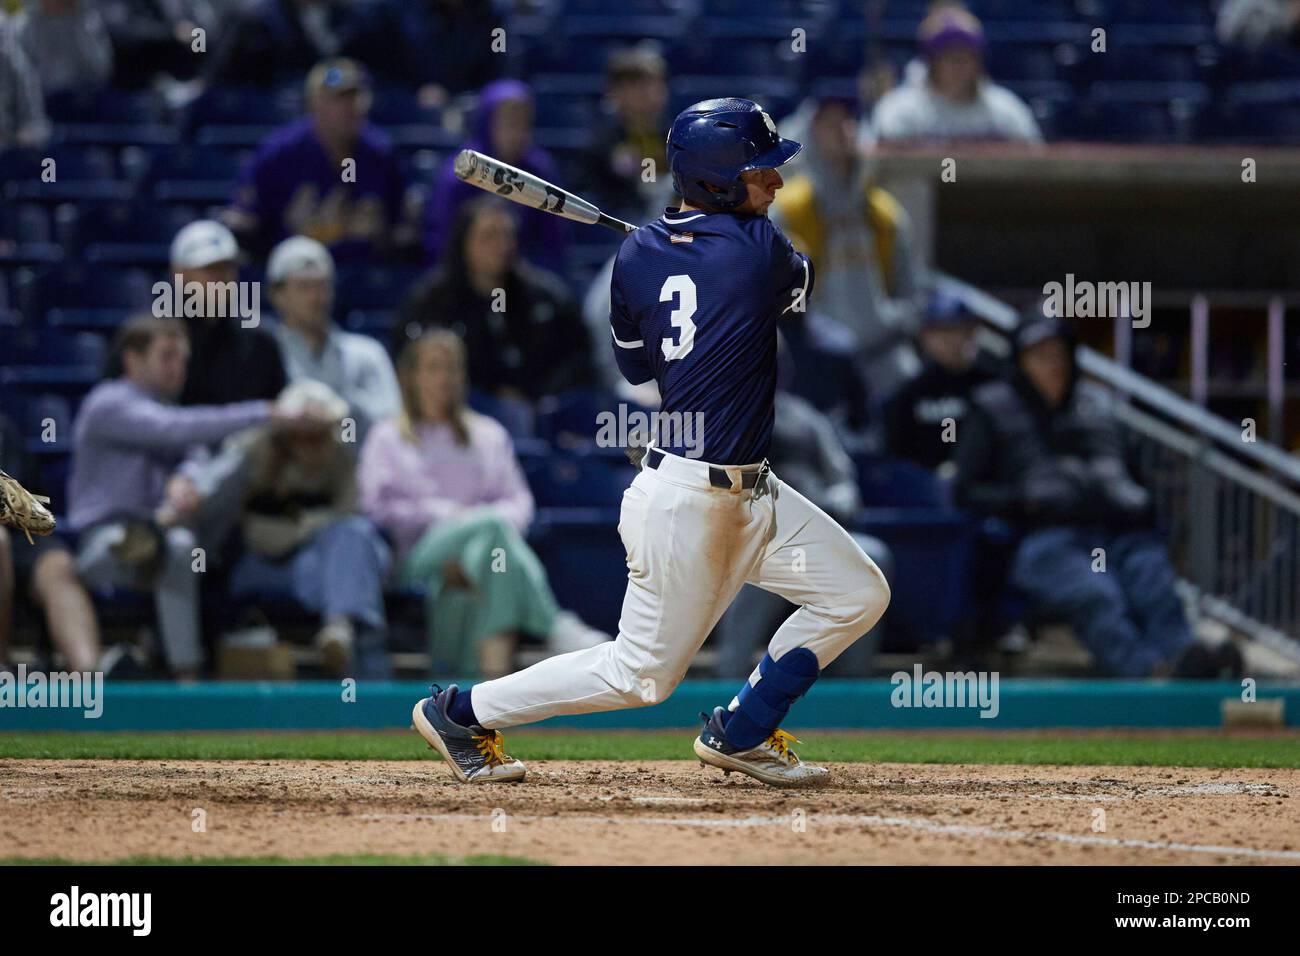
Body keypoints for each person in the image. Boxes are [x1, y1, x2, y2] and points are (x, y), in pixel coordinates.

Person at [410, 98, 890, 786]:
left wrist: (674, 258)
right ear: (720, 181)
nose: (776, 182)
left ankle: (743, 730)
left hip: (754, 491)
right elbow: (800, 283)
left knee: (855, 592)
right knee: (639, 677)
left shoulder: (635, 255)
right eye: (761, 171)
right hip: (691, 502)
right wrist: (706, 262)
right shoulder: (759, 253)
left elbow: (639, 366)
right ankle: (461, 711)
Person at [954, 317, 1236, 679]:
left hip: (1116, 532)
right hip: (1042, 539)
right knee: (1097, 595)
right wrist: (1023, 500)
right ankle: (1149, 674)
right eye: (1040, 356)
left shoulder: (1097, 405)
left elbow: (1138, 480)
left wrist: (1136, 503)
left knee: (1155, 583)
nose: (1053, 365)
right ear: (1020, 361)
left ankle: (1189, 658)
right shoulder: (992, 407)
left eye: (1059, 355)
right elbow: (965, 492)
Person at [359, 330, 608, 679]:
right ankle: (555, 626)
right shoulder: (387, 437)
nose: (444, 378)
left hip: (480, 560)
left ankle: (465, 696)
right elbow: (375, 508)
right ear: (412, 377)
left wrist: (475, 524)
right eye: (433, 368)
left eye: (452, 369)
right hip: (416, 558)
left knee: (492, 565)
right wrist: (448, 517)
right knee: (490, 529)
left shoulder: (488, 434)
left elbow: (519, 502)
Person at [69, 316, 280, 677]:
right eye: (167, 356)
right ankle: (188, 679)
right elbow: (172, 430)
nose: (178, 368)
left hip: (170, 530)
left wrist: (184, 478)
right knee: (178, 546)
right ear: (132, 360)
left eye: (183, 359)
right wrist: (266, 412)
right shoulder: (107, 402)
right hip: (106, 543)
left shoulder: (171, 408)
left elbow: (196, 454)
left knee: (237, 456)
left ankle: (160, 526)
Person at [711, 389, 894, 679]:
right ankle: (729, 675)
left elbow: (841, 475)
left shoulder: (805, 416)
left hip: (815, 529)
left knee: (874, 555)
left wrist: (841, 493)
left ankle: (853, 680)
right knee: (762, 562)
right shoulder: (721, 415)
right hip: (752, 534)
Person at [223, 381, 391, 677]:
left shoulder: (342, 459)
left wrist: (312, 525)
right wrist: (312, 527)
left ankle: (341, 630)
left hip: (324, 561)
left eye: (322, 433)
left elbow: (352, 515)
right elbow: (259, 538)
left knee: (355, 541)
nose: (317, 442)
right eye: (306, 434)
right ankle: (368, 681)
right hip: (264, 566)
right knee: (354, 578)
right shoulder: (256, 454)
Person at [774, 92, 924, 397]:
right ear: (809, 130)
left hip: (883, 356)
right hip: (813, 358)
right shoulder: (786, 211)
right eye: (829, 122)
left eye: (848, 121)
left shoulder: (885, 214)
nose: (842, 130)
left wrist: (889, 322)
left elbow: (912, 294)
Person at [396, 197, 594, 401]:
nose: (502, 245)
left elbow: (578, 355)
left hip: (539, 408)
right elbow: (406, 359)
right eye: (489, 236)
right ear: (464, 243)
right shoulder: (431, 301)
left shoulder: (545, 297)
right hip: (459, 411)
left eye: (508, 235)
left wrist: (543, 396)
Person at [225, 58, 415, 262]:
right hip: (296, 279)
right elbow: (242, 223)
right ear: (313, 103)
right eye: (339, 98)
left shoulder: (381, 154)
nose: (352, 107)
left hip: (365, 278)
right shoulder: (280, 154)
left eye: (357, 96)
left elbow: (404, 231)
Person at [423, 79, 570, 274]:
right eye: (509, 123)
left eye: (524, 123)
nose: (517, 133)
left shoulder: (539, 170)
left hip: (525, 281)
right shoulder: (462, 173)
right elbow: (443, 244)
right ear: (488, 123)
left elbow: (554, 244)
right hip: (466, 279)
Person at [266, 235, 399, 447]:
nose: (315, 297)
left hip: (355, 468)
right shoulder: (264, 354)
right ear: (276, 294)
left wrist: (345, 409)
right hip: (284, 473)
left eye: (321, 286)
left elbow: (392, 426)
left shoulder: (366, 353)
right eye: (303, 287)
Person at [0, 417, 100, 675]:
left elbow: (25, 500)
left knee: (58, 566)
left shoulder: (3, 429)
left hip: (20, 534)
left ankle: (90, 678)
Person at [870, 4, 1042, 145]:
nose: (959, 65)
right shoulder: (900, 111)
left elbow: (1036, 165)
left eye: (966, 56)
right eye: (949, 57)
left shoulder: (1004, 110)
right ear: (932, 62)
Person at [165, 219, 288, 408]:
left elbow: (278, 409)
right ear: (178, 273)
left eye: (227, 268)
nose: (221, 279)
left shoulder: (260, 339)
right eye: (209, 269)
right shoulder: (155, 339)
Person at [885, 290, 1001, 471]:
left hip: (984, 487)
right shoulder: (912, 392)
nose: (947, 340)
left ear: (972, 332)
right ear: (924, 337)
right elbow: (896, 452)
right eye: (937, 332)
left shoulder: (994, 383)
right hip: (925, 488)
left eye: (954, 330)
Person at [576, 44, 674, 224]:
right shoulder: (602, 141)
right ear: (618, 92)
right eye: (642, 86)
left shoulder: (670, 135)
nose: (654, 93)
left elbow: (652, 181)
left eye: (658, 84)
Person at [6, 0, 114, 97]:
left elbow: (100, 71)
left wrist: (77, 26)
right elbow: (20, 77)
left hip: (84, 99)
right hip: (41, 100)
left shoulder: (89, 22)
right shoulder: (23, 26)